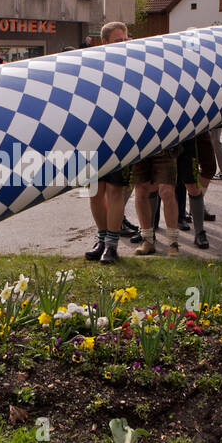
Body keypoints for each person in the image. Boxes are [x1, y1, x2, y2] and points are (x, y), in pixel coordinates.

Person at [86, 21, 136, 264]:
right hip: (94, 134)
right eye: (119, 41)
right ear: (104, 42)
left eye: (126, 39)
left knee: (116, 190)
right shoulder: (91, 65)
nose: (124, 44)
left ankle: (112, 246)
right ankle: (102, 239)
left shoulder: (133, 67)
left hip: (122, 135)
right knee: (96, 191)